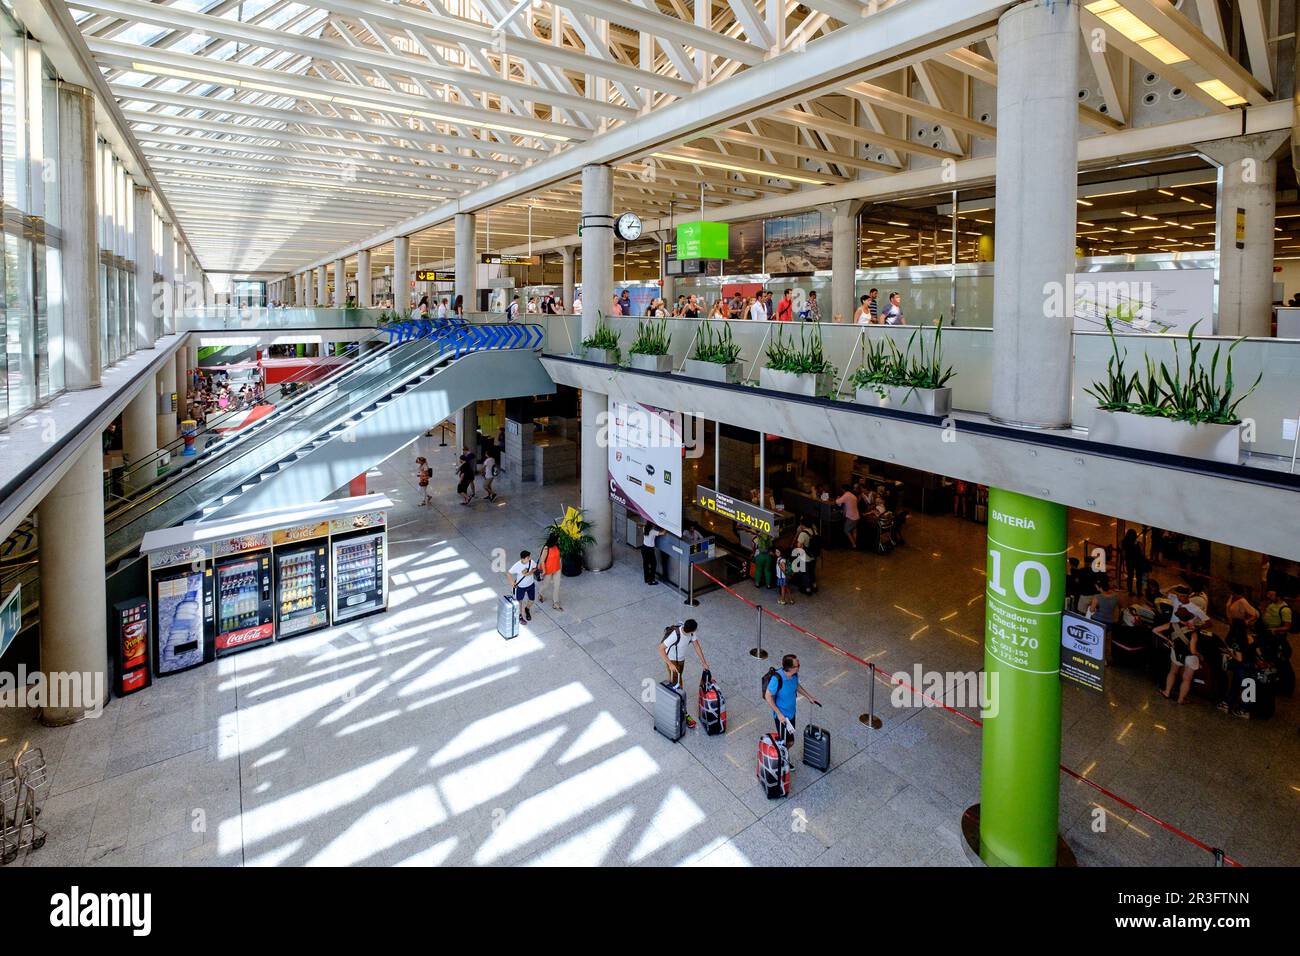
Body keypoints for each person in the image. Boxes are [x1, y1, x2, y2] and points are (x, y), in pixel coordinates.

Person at [659, 619, 709, 729]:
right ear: (690, 629)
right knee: (678, 687)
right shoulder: (675, 635)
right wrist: (670, 664)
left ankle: (673, 705)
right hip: (672, 661)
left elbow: (696, 646)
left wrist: (703, 662)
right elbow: (661, 648)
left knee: (675, 684)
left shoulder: (691, 632)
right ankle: (683, 713)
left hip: (681, 660)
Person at [764, 654, 820, 751]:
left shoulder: (794, 675)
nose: (799, 666)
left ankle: (783, 756)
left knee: (789, 742)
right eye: (797, 665)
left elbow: (796, 685)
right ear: (790, 668)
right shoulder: (777, 679)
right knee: (787, 742)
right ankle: (780, 760)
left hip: (791, 714)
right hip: (782, 718)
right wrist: (779, 714)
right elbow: (767, 696)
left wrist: (809, 697)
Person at [1156, 601, 1207, 703]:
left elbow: (1155, 630)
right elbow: (1193, 650)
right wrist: (1200, 656)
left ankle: (1167, 692)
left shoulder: (1171, 625)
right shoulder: (1193, 632)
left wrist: (1168, 640)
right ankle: (1181, 699)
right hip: (1190, 658)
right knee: (1187, 679)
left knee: (1172, 672)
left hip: (1176, 653)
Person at [507, 549, 539, 623]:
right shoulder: (517, 565)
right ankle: (520, 615)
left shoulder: (531, 562)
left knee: (532, 600)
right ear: (522, 559)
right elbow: (509, 573)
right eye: (528, 558)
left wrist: (530, 572)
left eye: (529, 557)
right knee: (519, 601)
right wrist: (512, 583)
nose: (529, 559)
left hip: (530, 585)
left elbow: (535, 568)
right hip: (521, 586)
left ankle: (527, 609)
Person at [537, 532, 564, 611]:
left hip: (557, 569)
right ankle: (540, 593)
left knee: (557, 585)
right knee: (545, 585)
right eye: (558, 538)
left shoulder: (557, 546)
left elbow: (559, 557)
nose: (559, 540)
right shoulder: (546, 548)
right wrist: (544, 571)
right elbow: (542, 560)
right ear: (554, 539)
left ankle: (555, 603)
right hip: (548, 570)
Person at [836, 482, 860, 549]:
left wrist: (838, 498)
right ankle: (855, 543)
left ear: (843, 489)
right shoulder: (853, 495)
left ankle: (853, 545)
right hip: (857, 516)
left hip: (851, 517)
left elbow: (837, 502)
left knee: (846, 530)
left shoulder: (846, 495)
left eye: (841, 489)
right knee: (854, 530)